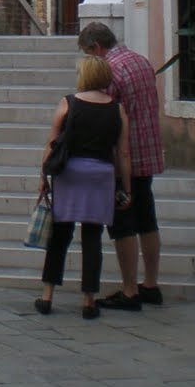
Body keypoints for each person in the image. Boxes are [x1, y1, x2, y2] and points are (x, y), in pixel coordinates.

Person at [34, 54, 131, 320]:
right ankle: (88, 300)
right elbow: (123, 153)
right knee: (92, 237)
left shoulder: (69, 103)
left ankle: (47, 295)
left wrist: (43, 177)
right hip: (101, 175)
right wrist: (127, 187)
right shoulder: (117, 109)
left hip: (70, 173)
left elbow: (52, 143)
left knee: (60, 235)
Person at [77, 20, 164, 311]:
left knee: (123, 225)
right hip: (148, 152)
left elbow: (104, 110)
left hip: (122, 159)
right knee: (147, 221)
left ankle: (129, 291)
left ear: (97, 47)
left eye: (89, 54)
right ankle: (150, 284)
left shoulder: (110, 70)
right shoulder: (140, 61)